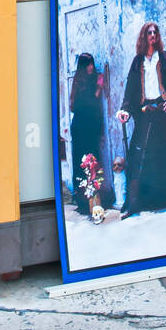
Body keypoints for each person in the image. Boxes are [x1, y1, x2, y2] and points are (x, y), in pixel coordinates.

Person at [117, 21, 166, 219]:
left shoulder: (164, 59)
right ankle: (135, 201)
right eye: (149, 32)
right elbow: (130, 90)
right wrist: (125, 110)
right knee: (139, 156)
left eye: (155, 32)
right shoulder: (137, 62)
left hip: (163, 113)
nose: (152, 35)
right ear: (143, 36)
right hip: (145, 112)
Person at [69, 53, 104, 217]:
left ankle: (95, 199)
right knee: (81, 162)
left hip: (91, 126)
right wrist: (98, 89)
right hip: (81, 127)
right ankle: (83, 201)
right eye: (88, 64)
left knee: (93, 161)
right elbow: (77, 105)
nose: (91, 67)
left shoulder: (92, 79)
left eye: (92, 64)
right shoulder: (79, 81)